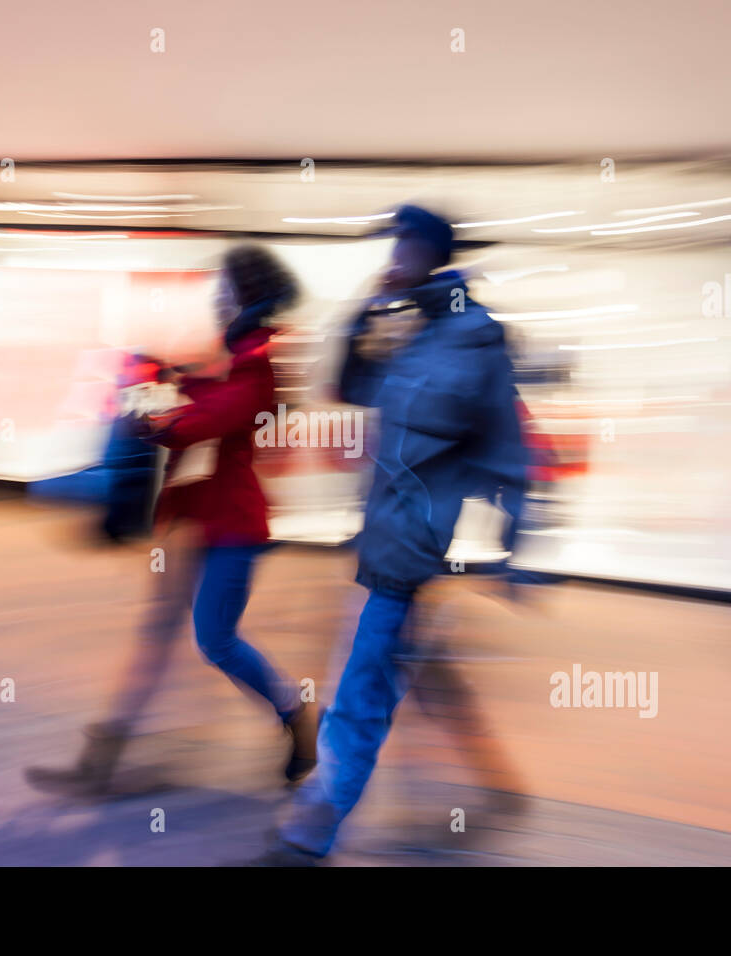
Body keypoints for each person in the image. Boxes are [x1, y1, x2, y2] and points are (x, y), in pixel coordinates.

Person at [255, 204, 527, 863]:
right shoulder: (412, 330)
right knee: (399, 668)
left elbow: (506, 453)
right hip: (382, 537)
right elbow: (349, 386)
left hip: (411, 546)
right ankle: (490, 782)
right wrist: (365, 313)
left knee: (361, 690)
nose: (391, 260)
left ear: (430, 252)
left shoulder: (476, 341)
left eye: (401, 247)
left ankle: (308, 832)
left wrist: (516, 552)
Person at [26, 245, 317, 797]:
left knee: (217, 639)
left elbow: (214, 416)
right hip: (191, 518)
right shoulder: (229, 354)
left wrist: (158, 418)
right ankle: (100, 760)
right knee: (155, 637)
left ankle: (297, 714)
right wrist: (161, 376)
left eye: (225, 290)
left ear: (247, 295)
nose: (216, 299)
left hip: (233, 524)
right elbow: (195, 397)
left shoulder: (259, 362)